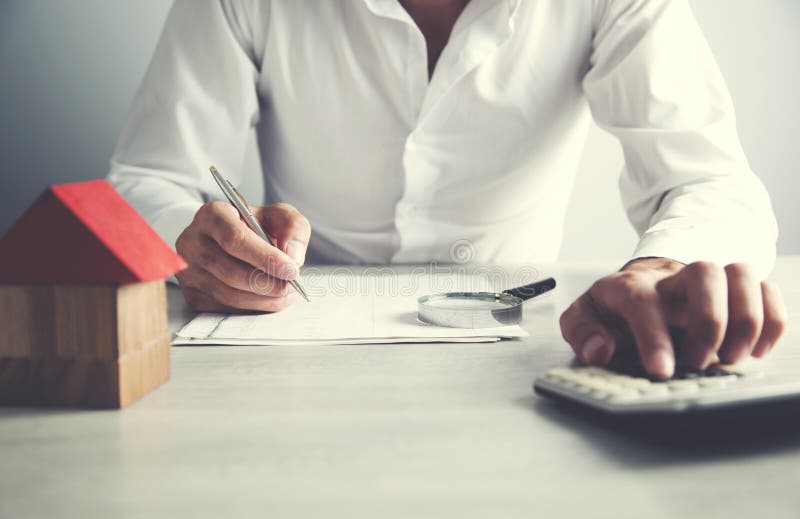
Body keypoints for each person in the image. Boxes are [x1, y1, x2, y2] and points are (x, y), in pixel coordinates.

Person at [109, 0, 786, 379]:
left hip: (518, 358)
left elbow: (707, 179)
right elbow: (148, 180)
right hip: (290, 359)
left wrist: (662, 268)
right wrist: (190, 242)